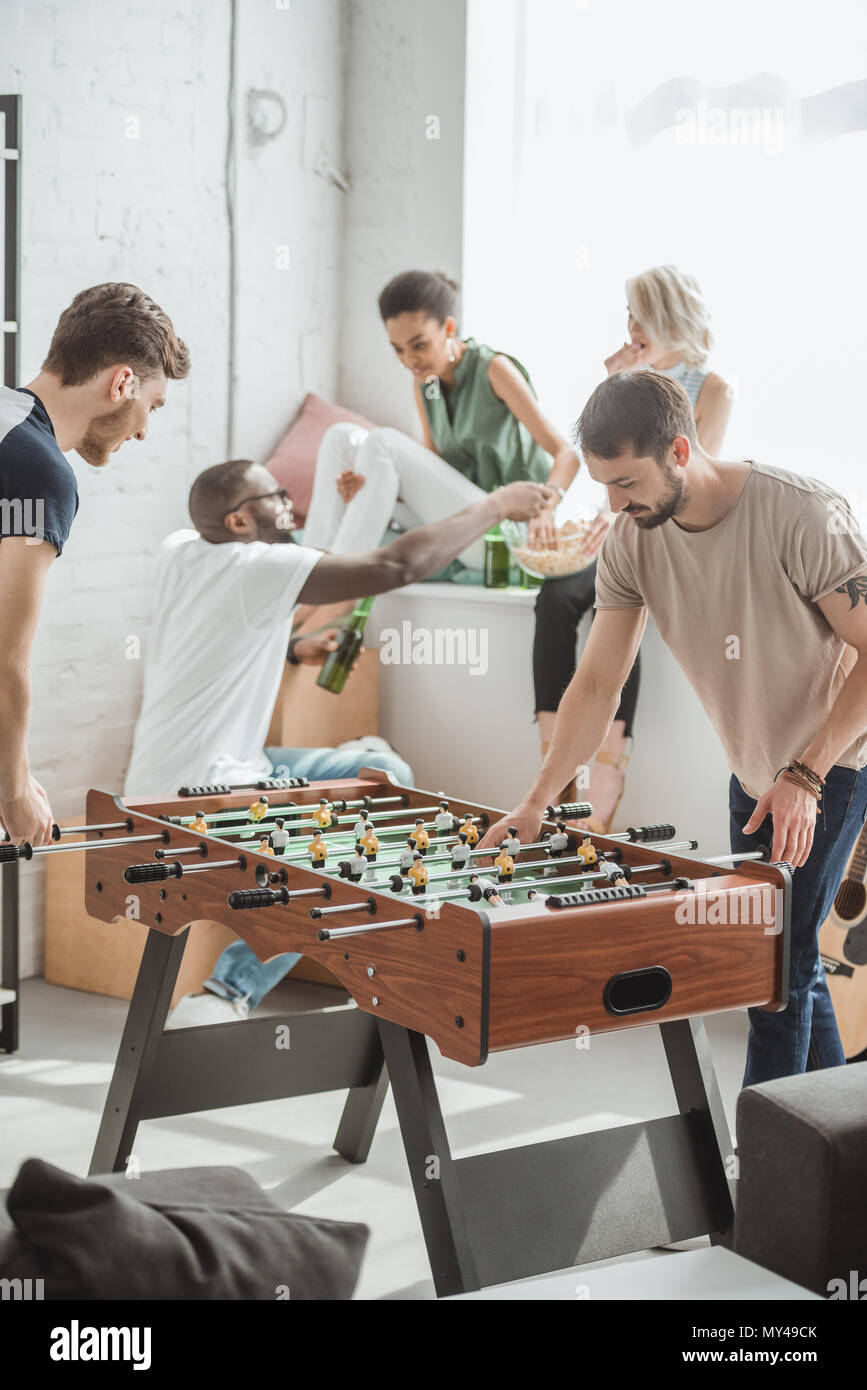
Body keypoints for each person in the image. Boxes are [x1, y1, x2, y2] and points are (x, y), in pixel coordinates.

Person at [479, 370, 867, 1087]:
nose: (612, 504)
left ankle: (763, 1172)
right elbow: (598, 682)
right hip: (752, 771)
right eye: (602, 484)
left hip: (835, 765)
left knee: (769, 971)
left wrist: (805, 774)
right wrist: (539, 799)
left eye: (625, 482)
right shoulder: (632, 539)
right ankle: (834, 1155)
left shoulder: (800, 513)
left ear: (680, 452)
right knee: (793, 965)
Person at [125, 457, 554, 1025]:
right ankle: (237, 987)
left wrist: (287, 648)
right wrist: (496, 506)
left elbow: (206, 630)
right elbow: (396, 565)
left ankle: (361, 956)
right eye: (274, 496)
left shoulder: (180, 549)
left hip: (174, 775)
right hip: (207, 791)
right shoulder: (260, 566)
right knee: (365, 814)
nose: (288, 503)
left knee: (379, 769)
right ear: (236, 522)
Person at [533, 266, 733, 830]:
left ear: (671, 315)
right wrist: (610, 388)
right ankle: (557, 767)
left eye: (640, 314)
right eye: (627, 313)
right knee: (554, 599)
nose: (630, 326)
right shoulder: (621, 376)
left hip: (661, 529)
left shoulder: (711, 386)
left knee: (619, 612)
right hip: (614, 531)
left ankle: (607, 772)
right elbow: (589, 455)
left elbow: (689, 473)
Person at [0, 282, 188, 846]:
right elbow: (6, 657)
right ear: (121, 382)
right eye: (150, 406)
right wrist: (14, 791)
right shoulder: (37, 468)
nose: (144, 431)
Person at [300, 269, 586, 572]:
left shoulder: (493, 370)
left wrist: (545, 508)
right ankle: (308, 574)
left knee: (383, 441)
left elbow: (567, 455)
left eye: (419, 345)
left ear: (449, 328)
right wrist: (370, 484)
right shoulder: (426, 382)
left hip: (502, 533)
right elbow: (436, 471)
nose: (409, 361)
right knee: (341, 437)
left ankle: (339, 583)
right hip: (456, 523)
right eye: (398, 349)